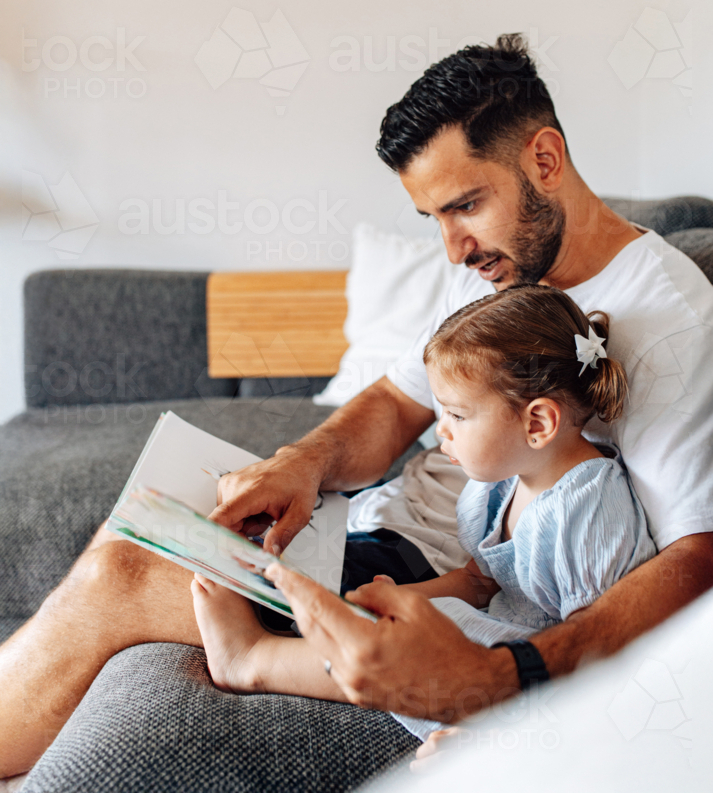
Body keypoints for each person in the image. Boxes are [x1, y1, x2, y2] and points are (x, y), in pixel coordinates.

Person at [2, 35, 712, 785]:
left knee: (123, 575)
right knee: (140, 525)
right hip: (377, 528)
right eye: (431, 216)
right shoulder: (496, 268)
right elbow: (393, 403)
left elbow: (693, 558)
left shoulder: (668, 318)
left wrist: (508, 679)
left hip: (436, 579)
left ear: (543, 159)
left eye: (465, 205)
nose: (451, 248)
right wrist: (301, 464)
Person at [191, 284, 656, 743]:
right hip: (501, 631)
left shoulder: (588, 511)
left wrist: (488, 733)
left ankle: (252, 659)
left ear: (537, 423)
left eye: (457, 415)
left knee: (418, 650)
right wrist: (403, 597)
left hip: (539, 678)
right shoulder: (506, 482)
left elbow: (600, 659)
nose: (440, 431)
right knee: (418, 625)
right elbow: (479, 580)